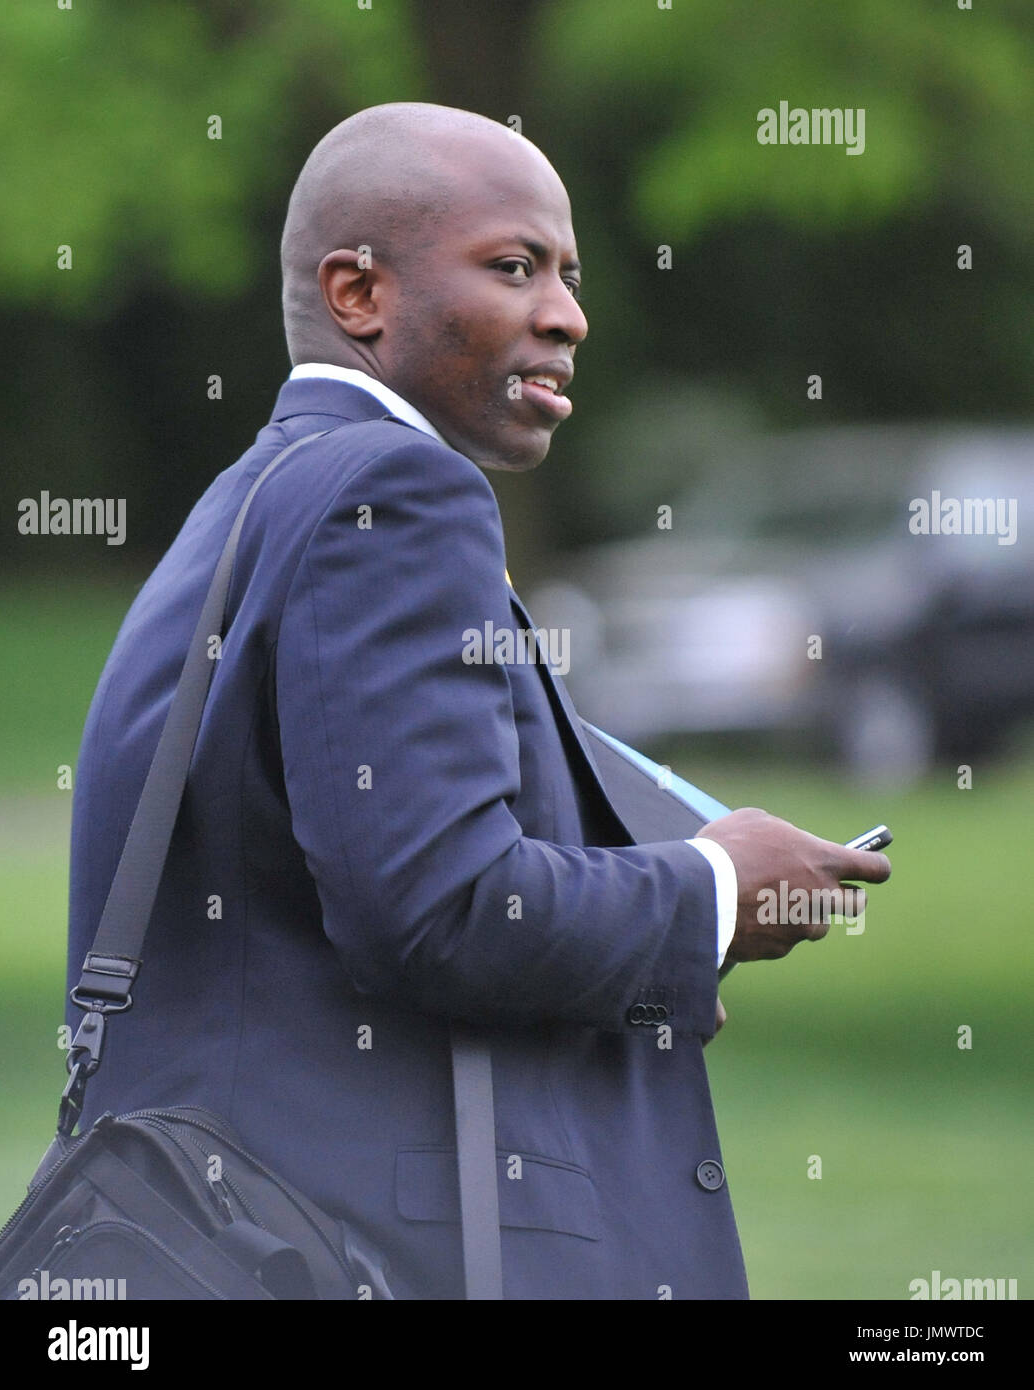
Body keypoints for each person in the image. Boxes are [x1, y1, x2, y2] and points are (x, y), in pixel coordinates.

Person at [66, 103, 891, 1300]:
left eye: (567, 273)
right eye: (514, 268)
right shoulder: (399, 493)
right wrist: (714, 891)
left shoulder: (257, 497)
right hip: (358, 1252)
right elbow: (442, 906)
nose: (567, 314)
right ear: (358, 293)